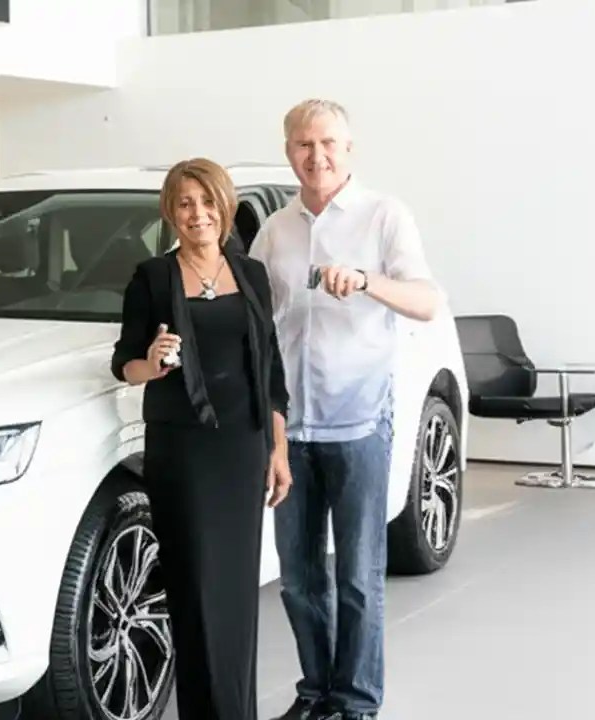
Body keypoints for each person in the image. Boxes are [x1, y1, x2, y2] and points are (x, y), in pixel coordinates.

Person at [250, 99, 441, 720]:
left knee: (358, 578)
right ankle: (316, 693)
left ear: (349, 148)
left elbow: (426, 301)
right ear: (289, 152)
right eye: (304, 145)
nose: (317, 156)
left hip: (360, 424)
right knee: (301, 581)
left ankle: (356, 703)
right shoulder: (275, 230)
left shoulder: (385, 216)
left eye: (328, 143)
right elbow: (252, 319)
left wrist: (365, 280)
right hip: (290, 433)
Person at [110, 157, 293, 720]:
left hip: (242, 447)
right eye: (186, 203)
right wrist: (153, 361)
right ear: (171, 211)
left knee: (237, 593)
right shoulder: (151, 277)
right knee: (194, 589)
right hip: (183, 451)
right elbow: (124, 364)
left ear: (225, 205)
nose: (198, 214)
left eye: (207, 201)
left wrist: (278, 448)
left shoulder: (252, 275)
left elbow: (270, 371)